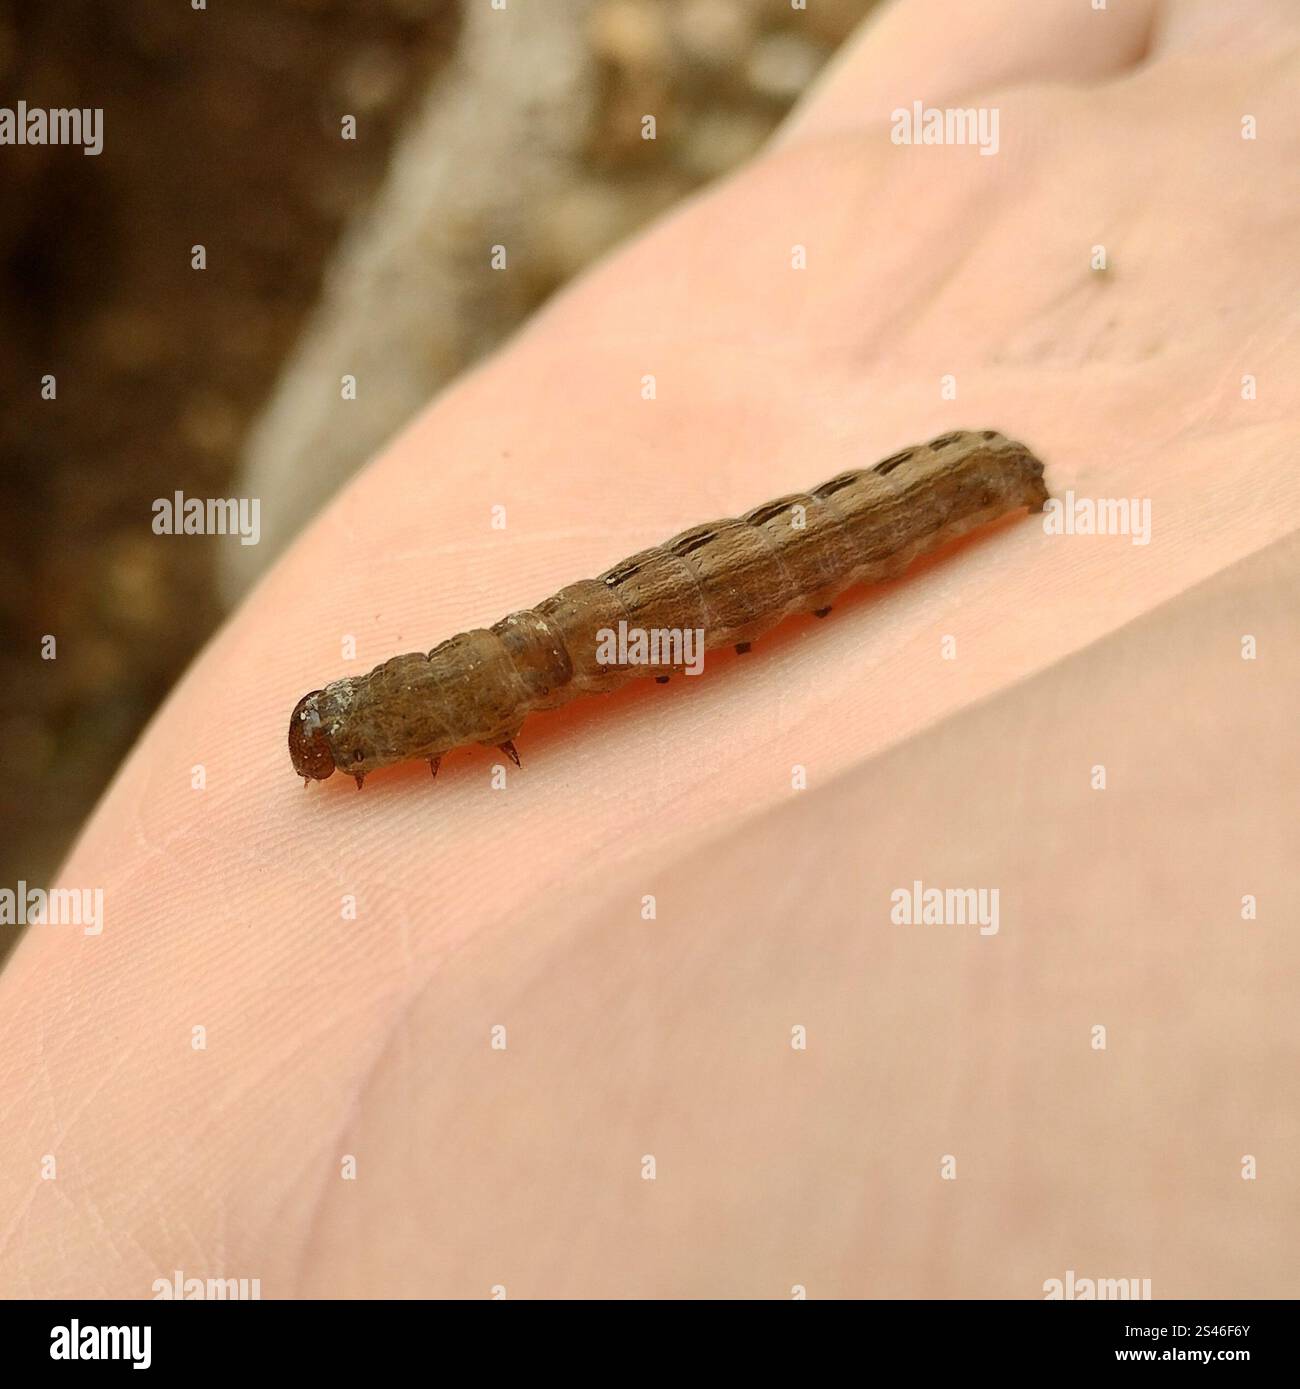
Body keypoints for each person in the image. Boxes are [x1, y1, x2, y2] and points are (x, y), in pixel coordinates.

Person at [1, 0, 1296, 1298]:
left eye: (357, 722)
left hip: (863, 520)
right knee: (579, 639)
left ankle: (969, 483)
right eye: (358, 723)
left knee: (655, 607)